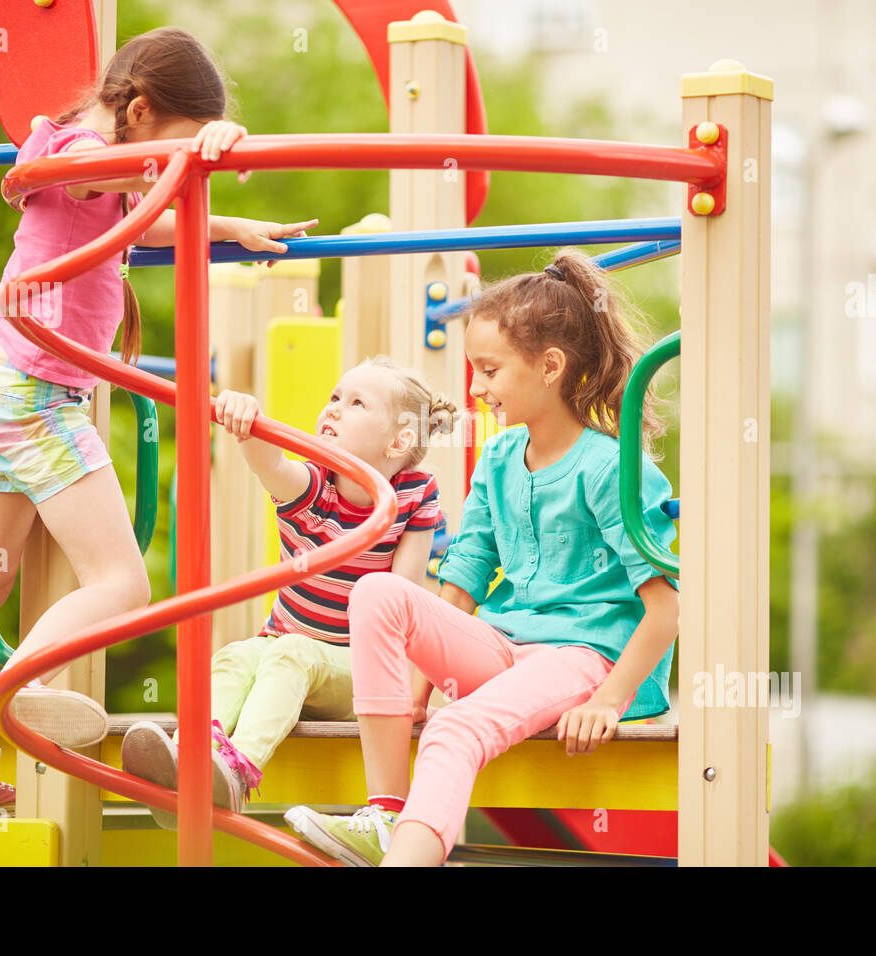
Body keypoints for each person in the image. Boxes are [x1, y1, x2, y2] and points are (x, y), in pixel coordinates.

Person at [0, 27, 317, 823]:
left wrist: (226, 224)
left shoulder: (103, 166)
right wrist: (199, 155)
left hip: (1, 386)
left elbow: (140, 215)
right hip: (33, 395)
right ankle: (11, 693)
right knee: (123, 582)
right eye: (171, 142)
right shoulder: (78, 153)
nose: (170, 164)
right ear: (136, 109)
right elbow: (102, 184)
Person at [283, 250, 680, 866]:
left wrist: (610, 699)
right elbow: (464, 574)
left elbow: (665, 609)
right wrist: (416, 687)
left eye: (489, 370)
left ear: (549, 367)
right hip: (503, 645)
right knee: (378, 594)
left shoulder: (610, 468)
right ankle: (386, 811)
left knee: (454, 727)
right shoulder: (498, 459)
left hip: (586, 657)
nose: (474, 388)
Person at [122, 357, 454, 827]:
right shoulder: (314, 486)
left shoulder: (414, 494)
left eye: (356, 403)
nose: (334, 409)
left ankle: (236, 773)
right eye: (335, 397)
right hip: (284, 646)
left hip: (361, 669)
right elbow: (270, 464)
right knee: (237, 655)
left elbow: (402, 597)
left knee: (293, 652)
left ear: (398, 441)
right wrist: (248, 423)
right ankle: (190, 755)